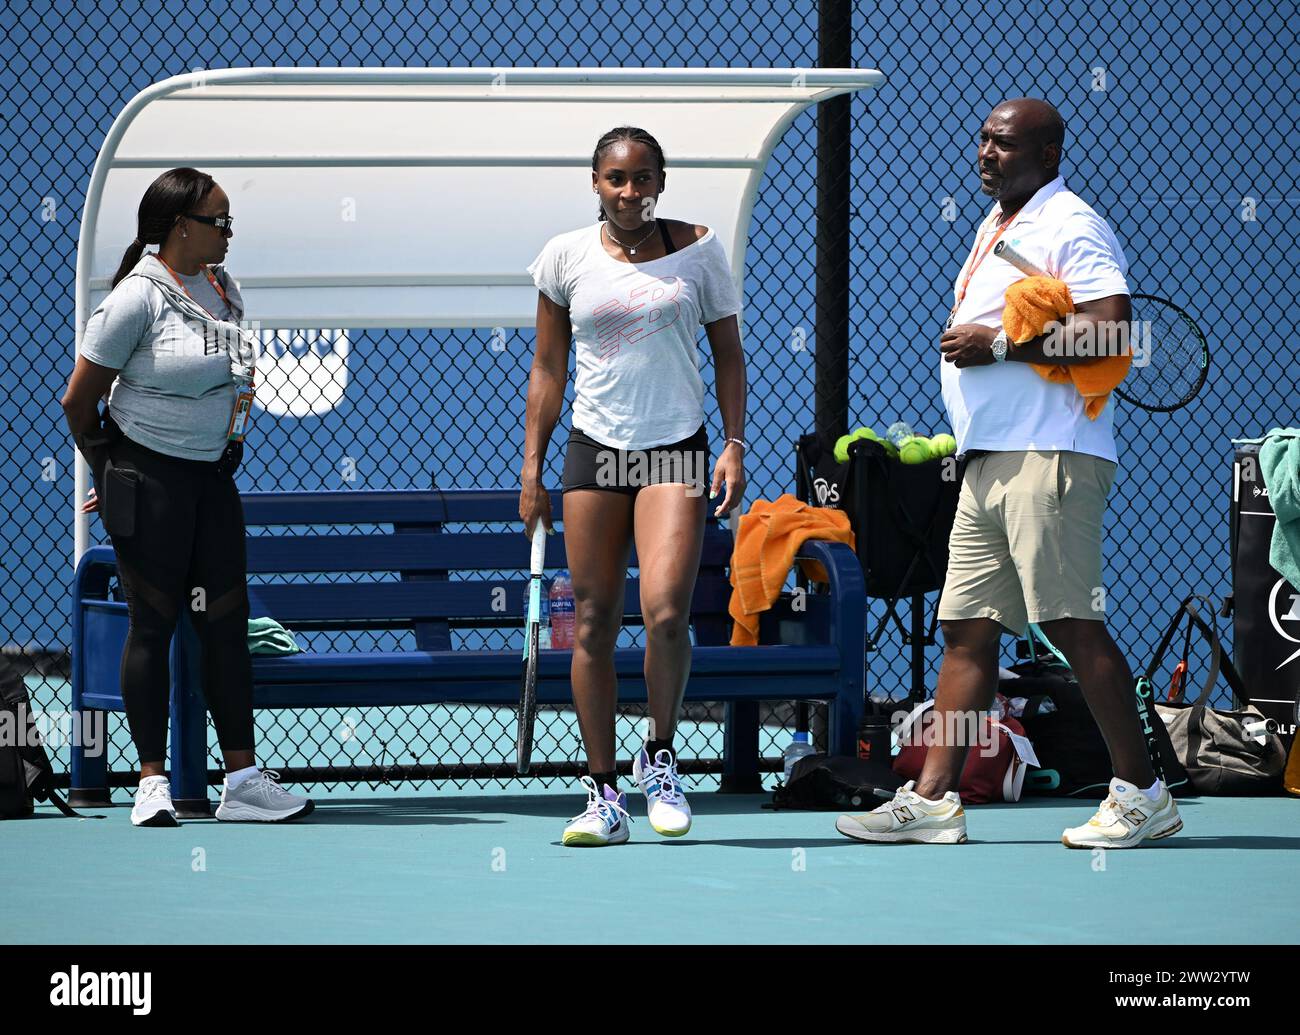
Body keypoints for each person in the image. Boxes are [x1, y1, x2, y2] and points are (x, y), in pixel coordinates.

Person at [836, 99, 1182, 849]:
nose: (986, 153)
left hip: (1049, 453)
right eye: (984, 140)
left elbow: (1114, 330)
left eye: (1005, 143)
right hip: (987, 459)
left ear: (1047, 154)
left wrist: (998, 347)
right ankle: (933, 799)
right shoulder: (999, 223)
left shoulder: (1071, 223)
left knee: (1068, 623)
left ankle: (1143, 794)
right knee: (967, 631)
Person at [60, 167, 313, 827]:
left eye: (230, 220)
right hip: (148, 483)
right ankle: (151, 783)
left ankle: (243, 783)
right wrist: (111, 471)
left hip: (212, 481)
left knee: (226, 626)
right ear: (179, 227)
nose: (228, 232)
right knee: (152, 624)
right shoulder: (136, 299)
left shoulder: (223, 288)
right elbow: (79, 402)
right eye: (217, 221)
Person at [520, 127, 747, 846]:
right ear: (595, 182)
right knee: (592, 620)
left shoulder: (700, 250)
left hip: (675, 450)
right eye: (616, 178)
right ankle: (603, 793)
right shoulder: (564, 257)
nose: (629, 191)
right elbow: (548, 367)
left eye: (642, 177)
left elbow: (730, 355)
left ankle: (661, 756)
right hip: (595, 450)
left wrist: (733, 445)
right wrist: (533, 467)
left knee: (667, 613)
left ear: (661, 182)